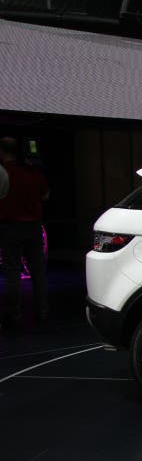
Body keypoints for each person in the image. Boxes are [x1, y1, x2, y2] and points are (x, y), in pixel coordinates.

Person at [0, 137, 49, 326]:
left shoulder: (4, 172)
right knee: (38, 272)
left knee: (12, 271)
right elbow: (45, 195)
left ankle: (14, 314)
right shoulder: (33, 172)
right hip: (33, 227)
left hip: (10, 227)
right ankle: (43, 312)